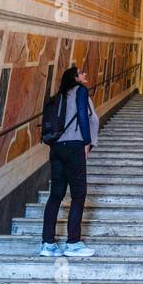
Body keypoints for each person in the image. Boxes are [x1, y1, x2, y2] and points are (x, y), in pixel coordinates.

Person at [40, 66, 100, 258]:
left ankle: (47, 243)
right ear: (75, 77)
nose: (85, 75)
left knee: (56, 195)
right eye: (82, 73)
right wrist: (87, 142)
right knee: (78, 194)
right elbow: (83, 115)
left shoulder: (59, 95)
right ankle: (73, 242)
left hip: (56, 147)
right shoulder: (80, 91)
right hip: (74, 145)